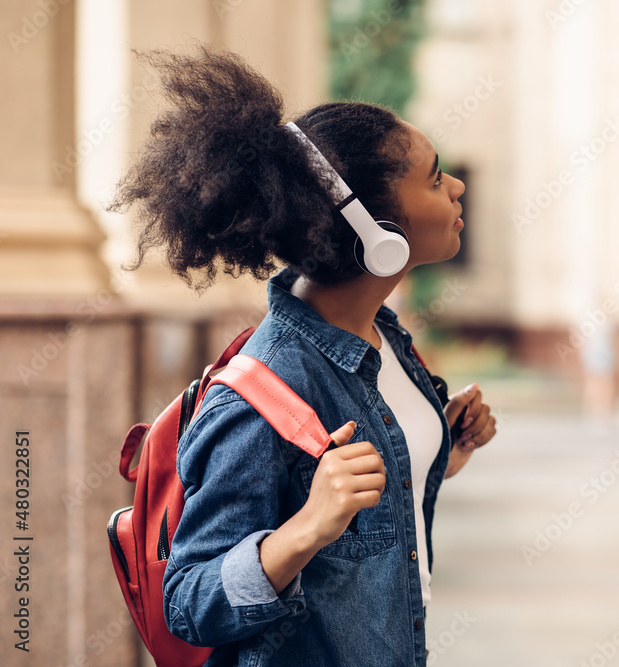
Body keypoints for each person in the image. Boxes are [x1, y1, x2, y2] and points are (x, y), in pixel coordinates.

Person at [109, 45, 497, 666]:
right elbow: (188, 602)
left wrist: (439, 452)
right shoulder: (264, 393)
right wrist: (307, 527)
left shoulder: (387, 341)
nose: (454, 188)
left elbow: (371, 510)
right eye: (433, 177)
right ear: (375, 231)